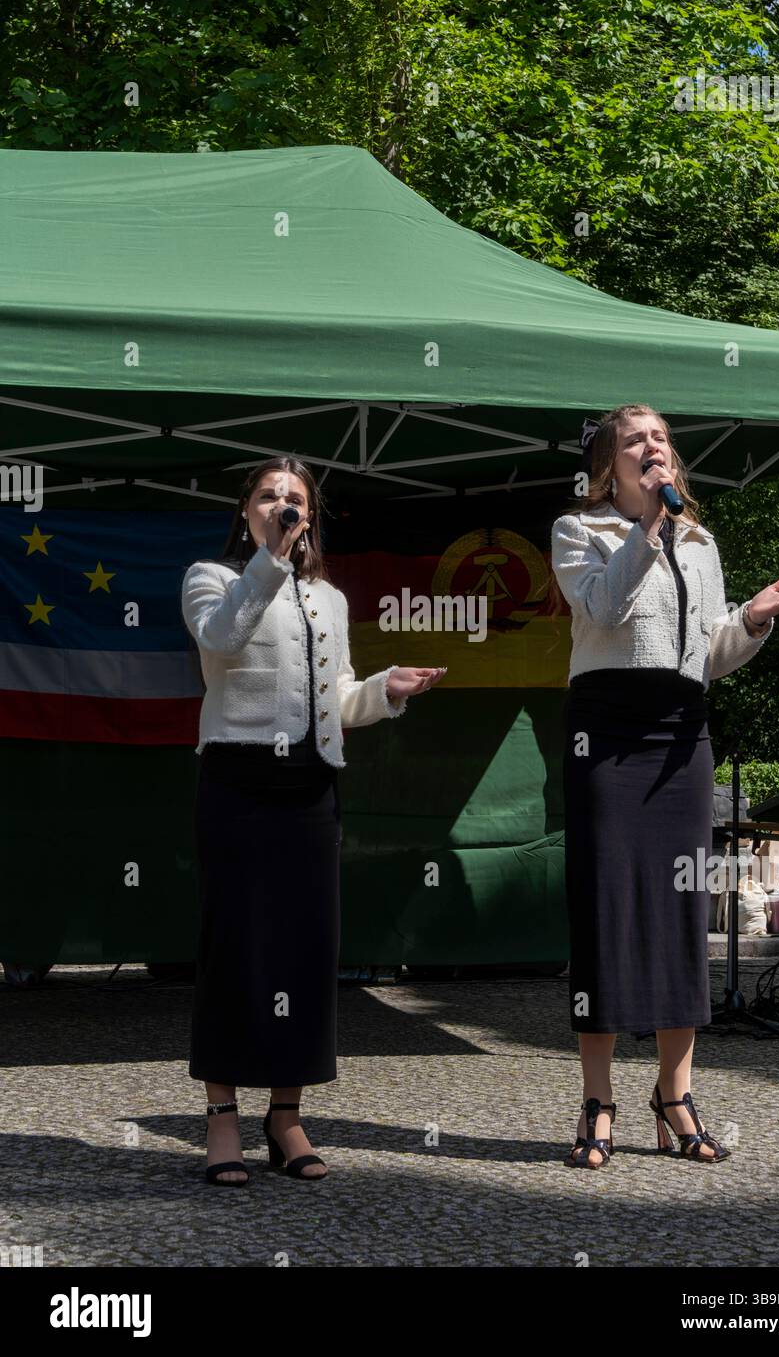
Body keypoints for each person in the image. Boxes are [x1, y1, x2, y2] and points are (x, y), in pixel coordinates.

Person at [551, 404, 779, 1169]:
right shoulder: (580, 531)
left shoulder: (701, 542)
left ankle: (674, 1094)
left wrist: (753, 623)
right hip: (606, 732)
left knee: (679, 913)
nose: (653, 448)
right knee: (606, 908)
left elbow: (708, 653)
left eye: (661, 439)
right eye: (636, 441)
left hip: (681, 734)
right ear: (608, 462)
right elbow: (604, 606)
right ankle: (597, 1100)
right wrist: (647, 532)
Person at [181, 456, 445, 1185]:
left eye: (296, 500)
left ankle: (287, 1116)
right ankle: (222, 1119)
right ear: (246, 511)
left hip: (310, 788)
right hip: (237, 781)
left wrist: (382, 690)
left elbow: (336, 697)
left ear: (313, 519)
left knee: (303, 950)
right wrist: (268, 561)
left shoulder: (326, 599)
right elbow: (224, 640)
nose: (284, 506)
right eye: (270, 496)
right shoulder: (211, 577)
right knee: (234, 947)